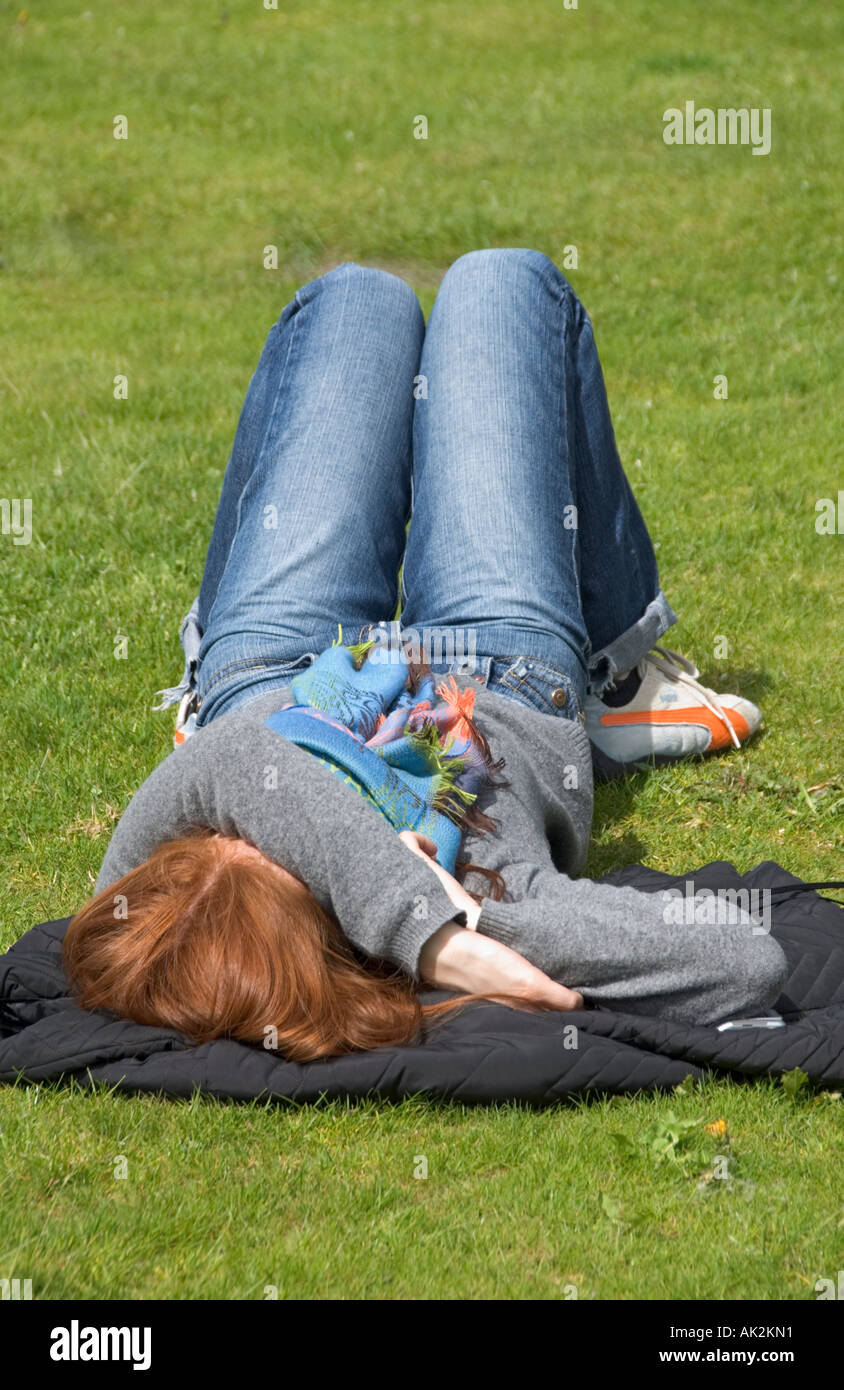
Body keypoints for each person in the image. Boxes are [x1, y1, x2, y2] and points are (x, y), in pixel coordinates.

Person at [62, 250, 788, 1061]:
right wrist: (450, 929)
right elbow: (746, 960)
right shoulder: (488, 891)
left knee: (354, 300)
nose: (287, 813)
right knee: (506, 283)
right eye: (300, 853)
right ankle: (614, 677)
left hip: (273, 674)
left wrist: (395, 901)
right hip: (498, 677)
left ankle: (206, 692)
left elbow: (232, 760)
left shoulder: (149, 908)